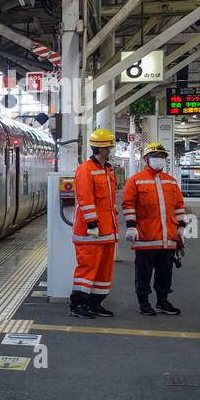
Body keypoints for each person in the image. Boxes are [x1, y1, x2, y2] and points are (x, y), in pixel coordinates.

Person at [121, 142, 186, 315]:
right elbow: (128, 205)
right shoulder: (135, 181)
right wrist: (131, 227)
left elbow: (179, 206)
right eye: (155, 156)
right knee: (143, 273)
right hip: (145, 237)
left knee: (165, 272)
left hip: (168, 238)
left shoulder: (171, 182)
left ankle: (162, 302)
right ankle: (144, 303)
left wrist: (181, 227)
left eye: (162, 157)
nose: (159, 160)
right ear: (146, 159)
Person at [70, 128, 120, 318]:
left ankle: (94, 303)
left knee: (103, 270)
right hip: (89, 231)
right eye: (108, 147)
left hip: (107, 231)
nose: (110, 151)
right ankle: (78, 305)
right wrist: (92, 224)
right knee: (88, 268)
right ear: (101, 149)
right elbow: (85, 199)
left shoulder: (107, 170)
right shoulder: (86, 170)